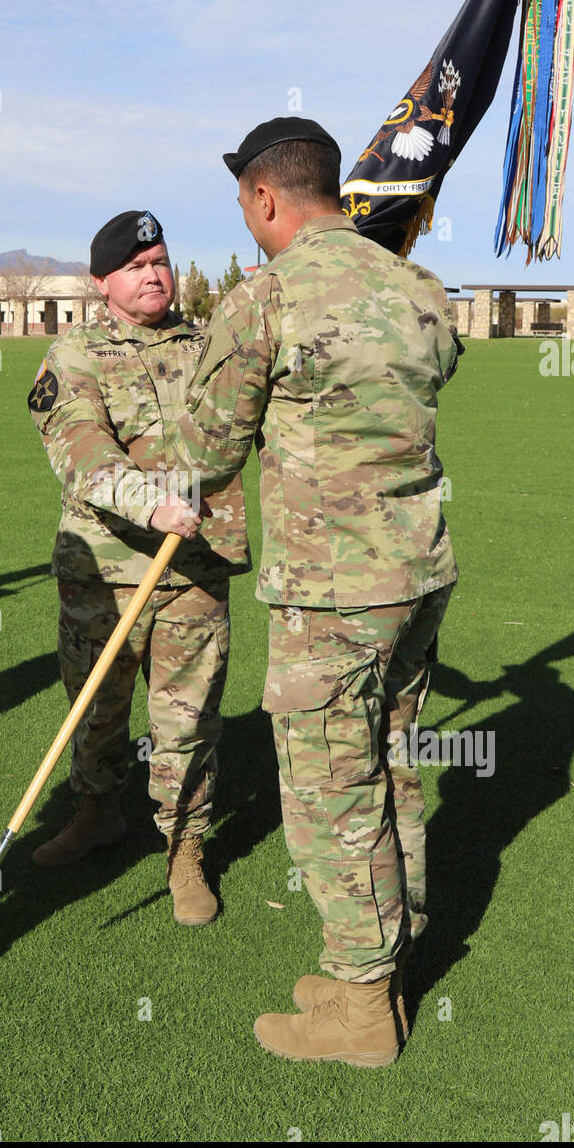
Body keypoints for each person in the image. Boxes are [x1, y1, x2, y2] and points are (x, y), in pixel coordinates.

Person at [169, 118, 462, 1063]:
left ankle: (362, 1003)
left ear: (264, 198)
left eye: (242, 204)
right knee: (390, 762)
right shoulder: (416, 286)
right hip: (419, 571)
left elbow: (206, 452)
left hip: (333, 588)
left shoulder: (266, 297)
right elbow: (438, 370)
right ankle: (388, 954)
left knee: (332, 788)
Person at [28, 210, 250, 924]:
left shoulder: (212, 347)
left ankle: (185, 849)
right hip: (104, 570)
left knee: (188, 720)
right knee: (96, 711)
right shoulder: (75, 354)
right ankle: (97, 812)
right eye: (135, 266)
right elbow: (79, 447)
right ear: (102, 282)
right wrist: (150, 503)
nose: (153, 274)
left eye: (160, 261)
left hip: (194, 569)